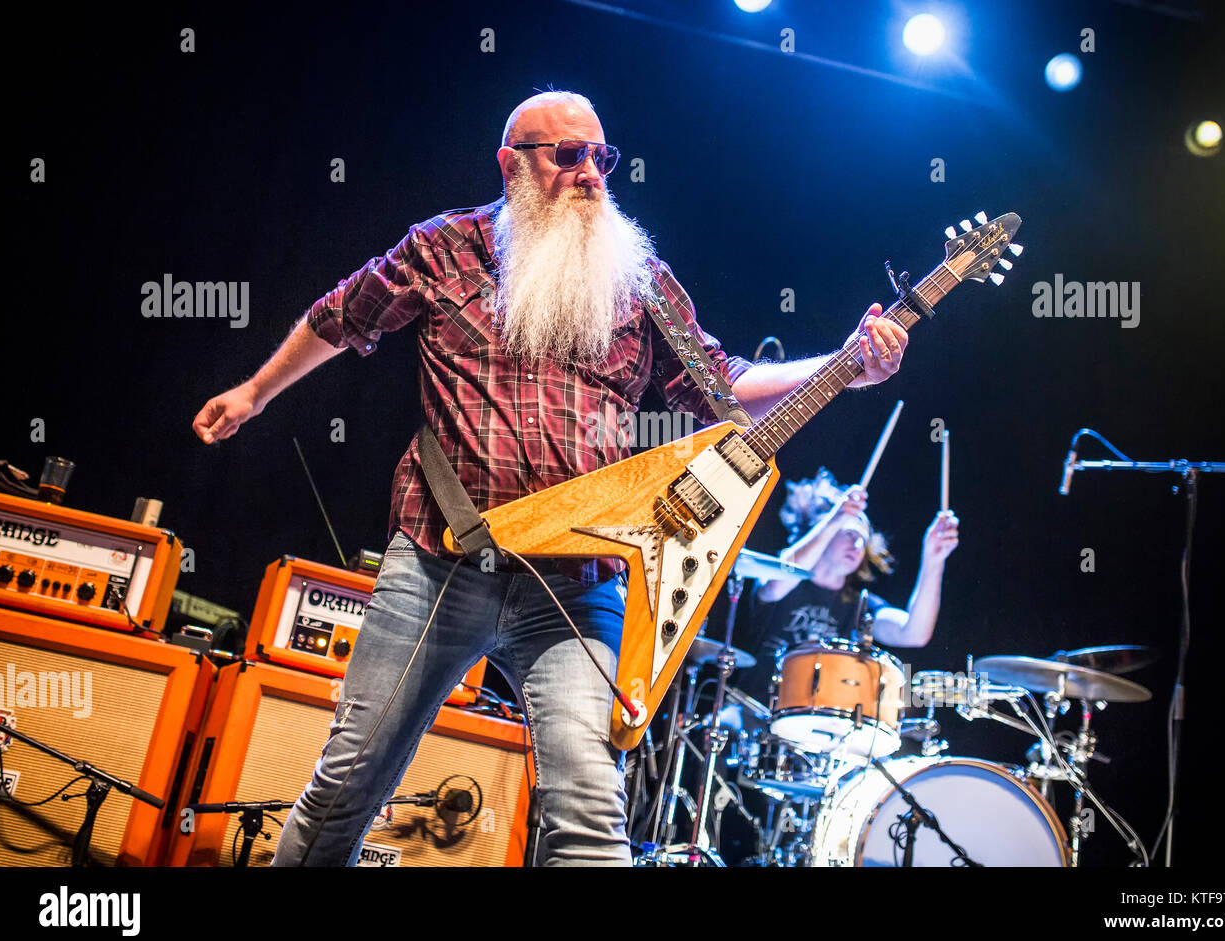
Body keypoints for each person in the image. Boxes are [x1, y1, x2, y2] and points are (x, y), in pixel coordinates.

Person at [190, 90, 908, 866]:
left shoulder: (639, 278)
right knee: (348, 783)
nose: (591, 174)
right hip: (442, 561)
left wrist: (844, 365)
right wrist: (254, 392)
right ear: (512, 165)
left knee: (589, 806)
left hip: (577, 582)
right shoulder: (444, 248)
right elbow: (341, 317)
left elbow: (720, 383)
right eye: (568, 156)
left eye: (602, 157)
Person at [734, 466, 960, 712]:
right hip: (751, 710)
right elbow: (778, 582)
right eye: (849, 533)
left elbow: (913, 633)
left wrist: (933, 560)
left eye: (863, 539)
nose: (857, 543)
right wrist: (837, 517)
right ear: (825, 530)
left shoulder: (862, 605)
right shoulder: (782, 581)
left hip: (815, 723)